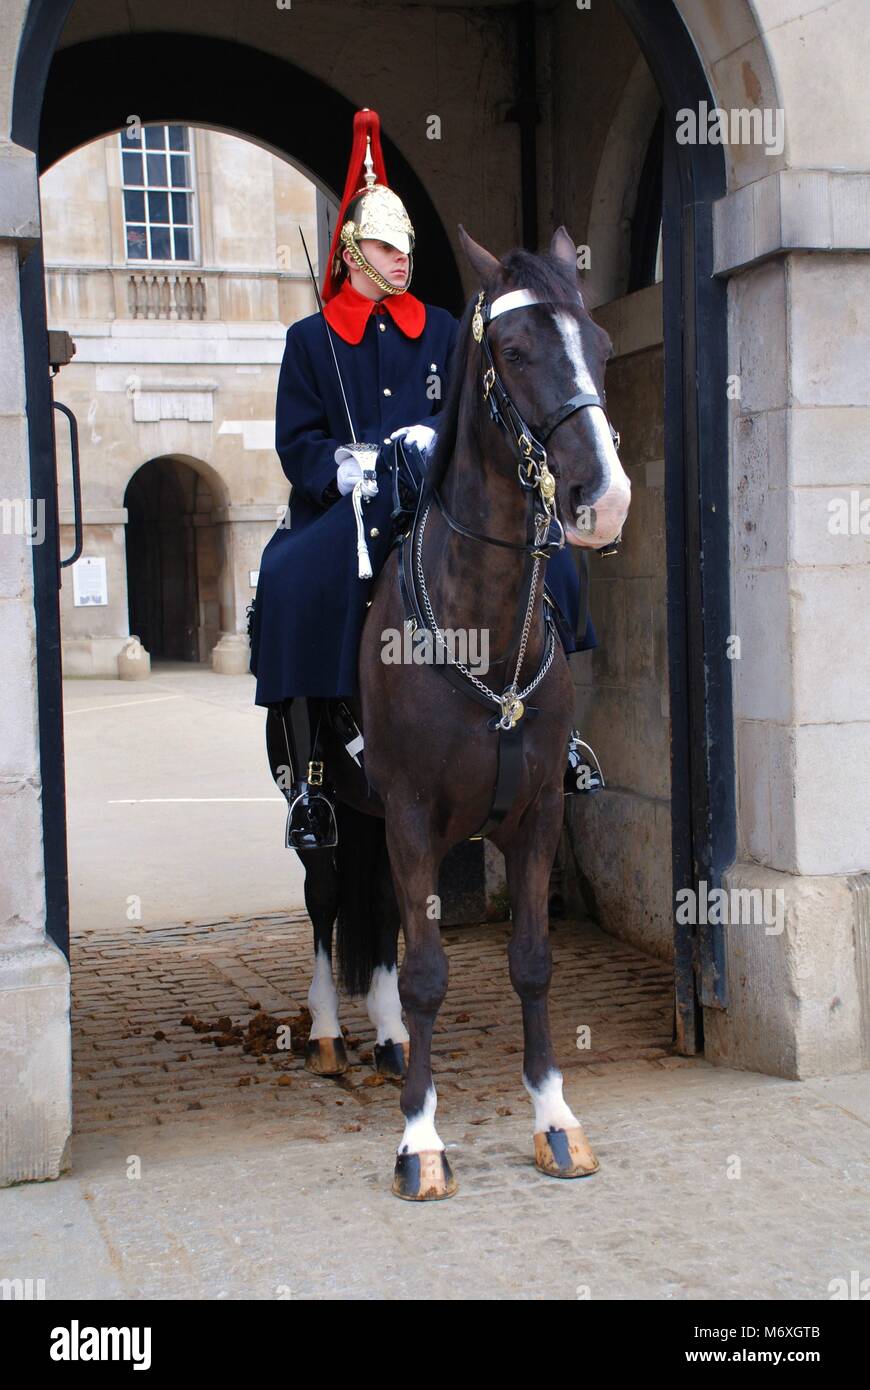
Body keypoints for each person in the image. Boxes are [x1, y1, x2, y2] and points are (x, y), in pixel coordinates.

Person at [248, 108, 602, 851]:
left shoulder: (442, 327)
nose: (402, 255)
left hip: (439, 490)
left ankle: (560, 739)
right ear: (351, 250)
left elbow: (475, 411)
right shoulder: (310, 341)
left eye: (405, 243)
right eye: (384, 243)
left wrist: (432, 442)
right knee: (292, 579)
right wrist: (341, 467)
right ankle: (314, 772)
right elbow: (296, 440)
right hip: (352, 504)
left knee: (552, 560)